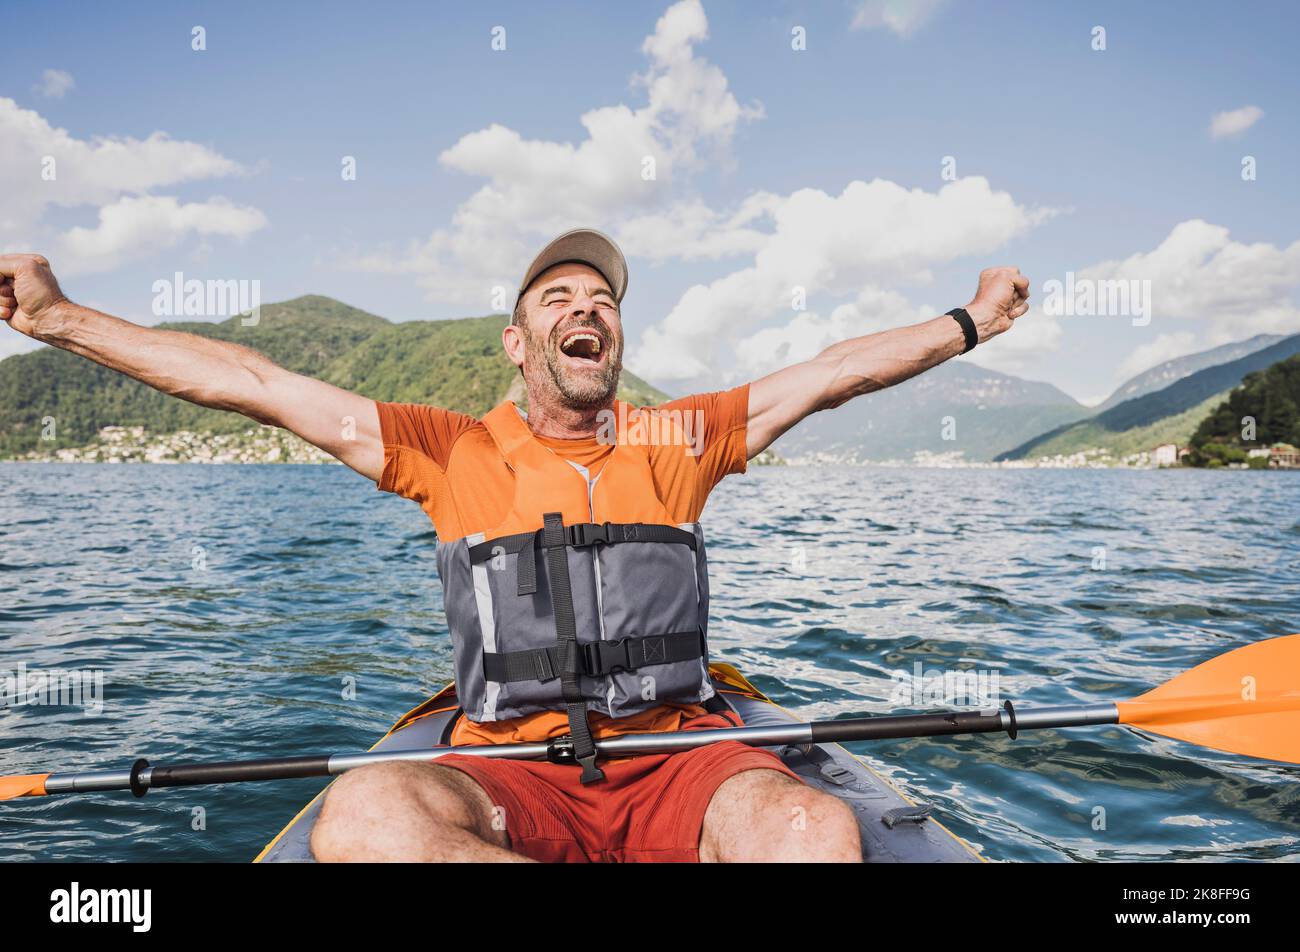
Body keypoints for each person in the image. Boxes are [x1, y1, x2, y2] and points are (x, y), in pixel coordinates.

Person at [0, 233, 1028, 862]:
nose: (587, 311)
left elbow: (835, 370)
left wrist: (970, 321)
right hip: (510, 773)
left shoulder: (685, 436)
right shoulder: (446, 451)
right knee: (362, 819)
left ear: (615, 340)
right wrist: (57, 318)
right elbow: (249, 380)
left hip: (680, 759)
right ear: (515, 343)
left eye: (604, 303)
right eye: (558, 300)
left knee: (813, 832)